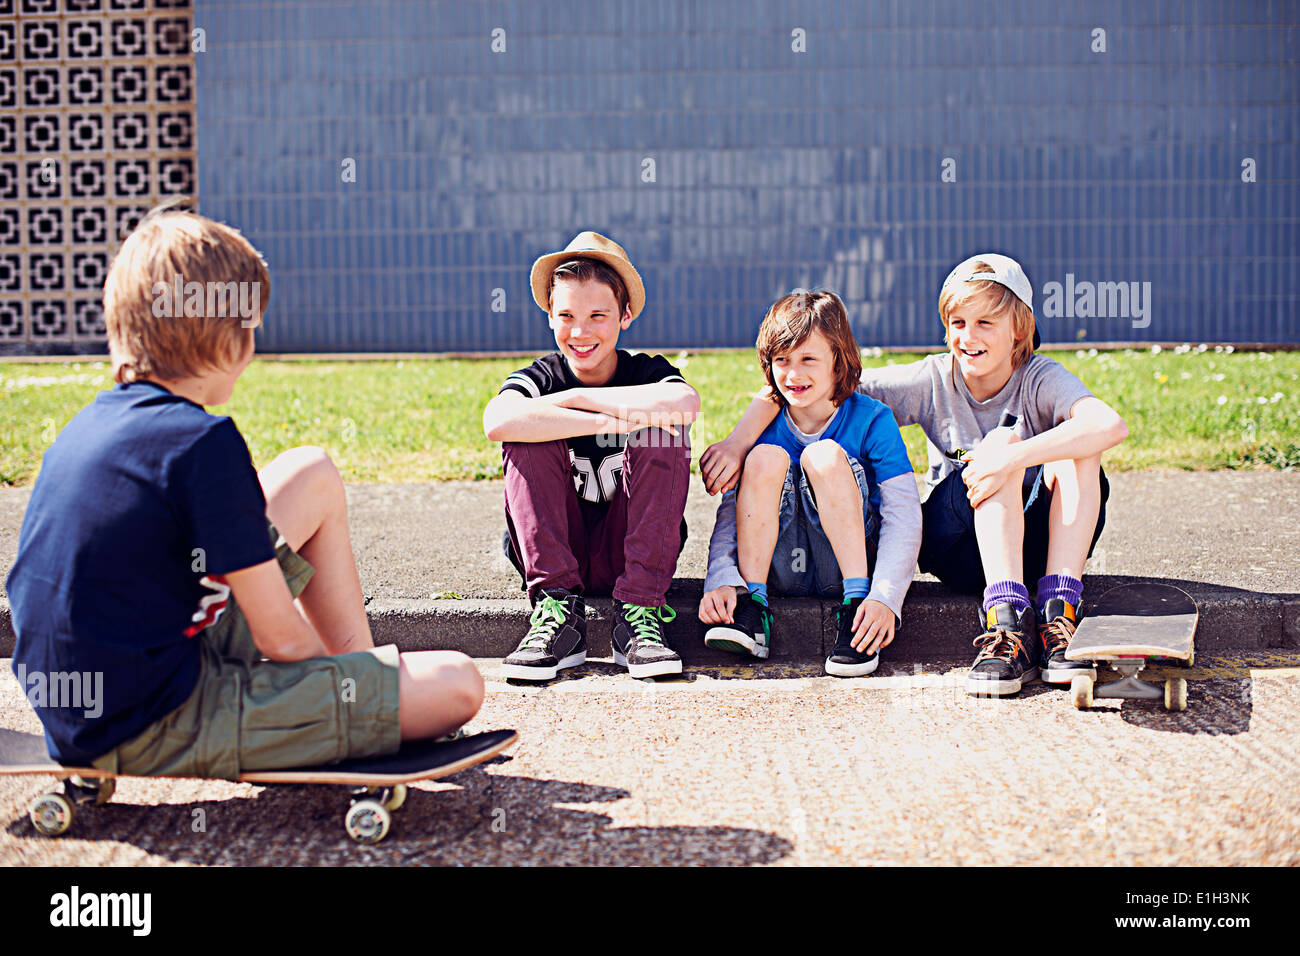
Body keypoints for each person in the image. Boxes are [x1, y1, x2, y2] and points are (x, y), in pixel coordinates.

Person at [6, 207, 484, 779]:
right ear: (225, 337)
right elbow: (279, 637)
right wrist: (344, 693)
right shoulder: (204, 444)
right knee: (456, 683)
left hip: (79, 703)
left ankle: (360, 673)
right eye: (250, 324)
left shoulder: (83, 428)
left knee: (310, 472)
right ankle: (359, 703)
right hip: (152, 723)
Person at [702, 255, 1128, 696]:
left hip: (1035, 543)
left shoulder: (1041, 379)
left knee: (1075, 450)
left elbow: (1109, 425)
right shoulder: (933, 378)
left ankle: (1059, 615)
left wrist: (1012, 459)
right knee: (998, 449)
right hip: (957, 544)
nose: (969, 336)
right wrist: (738, 441)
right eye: (958, 322)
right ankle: (1007, 624)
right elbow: (812, 384)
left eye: (986, 322)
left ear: (1018, 327)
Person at [483, 231, 699, 680]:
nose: (580, 332)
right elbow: (498, 420)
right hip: (559, 554)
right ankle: (558, 616)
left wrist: (574, 401)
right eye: (566, 315)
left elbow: (685, 405)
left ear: (625, 315)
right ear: (549, 317)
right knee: (525, 436)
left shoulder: (645, 371)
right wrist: (609, 420)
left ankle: (639, 618)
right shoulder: (541, 376)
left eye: (597, 315)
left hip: (630, 553)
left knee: (665, 435)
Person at [698, 291, 921, 677]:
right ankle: (753, 610)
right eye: (782, 360)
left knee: (823, 456)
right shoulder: (761, 426)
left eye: (808, 360)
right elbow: (731, 515)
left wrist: (885, 597)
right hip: (778, 568)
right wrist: (721, 579)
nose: (793, 374)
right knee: (765, 458)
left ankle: (854, 611)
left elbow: (903, 512)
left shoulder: (872, 419)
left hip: (847, 566)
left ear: (838, 361)